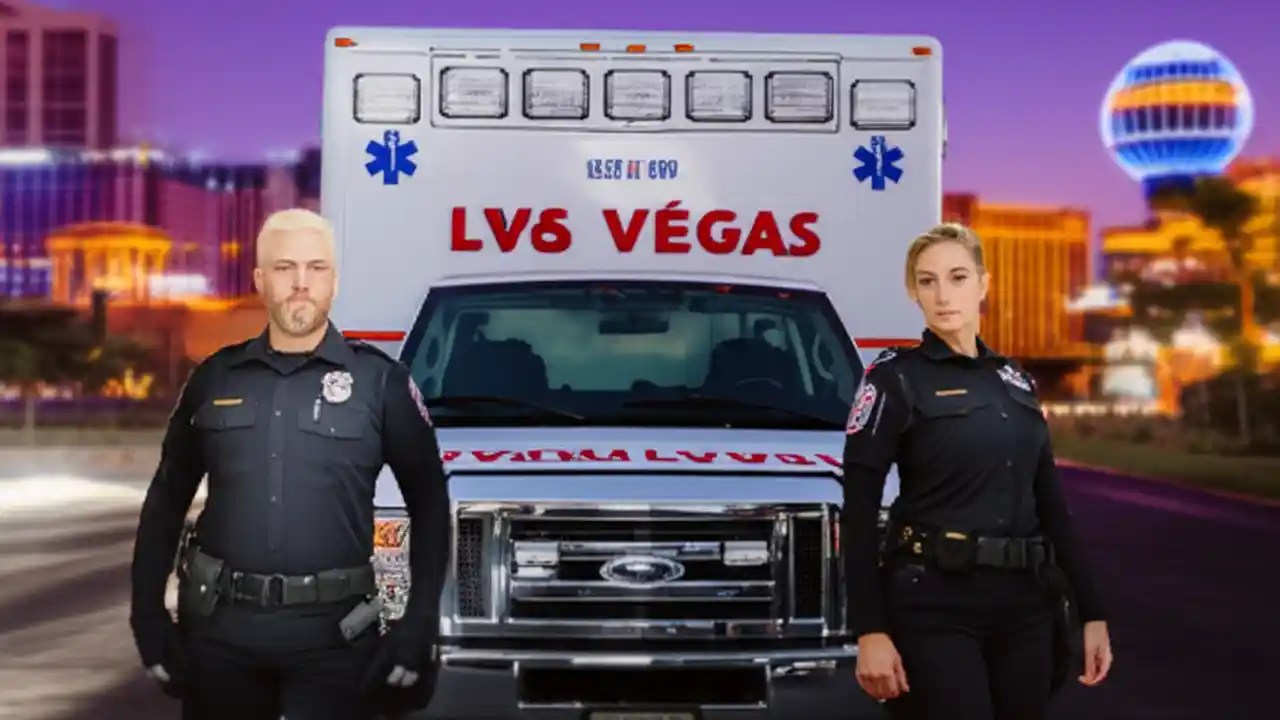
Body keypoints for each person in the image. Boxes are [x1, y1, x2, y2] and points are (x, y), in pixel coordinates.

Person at [128, 208, 450, 719]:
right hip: (220, 636)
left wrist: (420, 621)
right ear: (260, 280)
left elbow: (430, 504)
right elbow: (166, 501)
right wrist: (146, 616)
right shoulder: (215, 378)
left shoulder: (381, 383)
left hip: (337, 639)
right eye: (285, 268)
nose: (301, 283)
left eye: (316, 268)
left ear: (334, 281)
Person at [840, 222, 1113, 719]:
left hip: (1025, 606)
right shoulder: (894, 379)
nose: (943, 295)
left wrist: (1092, 613)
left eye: (958, 277)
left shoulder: (1016, 382)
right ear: (913, 292)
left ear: (984, 284)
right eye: (927, 281)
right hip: (934, 604)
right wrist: (870, 630)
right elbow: (858, 512)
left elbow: (1052, 507)